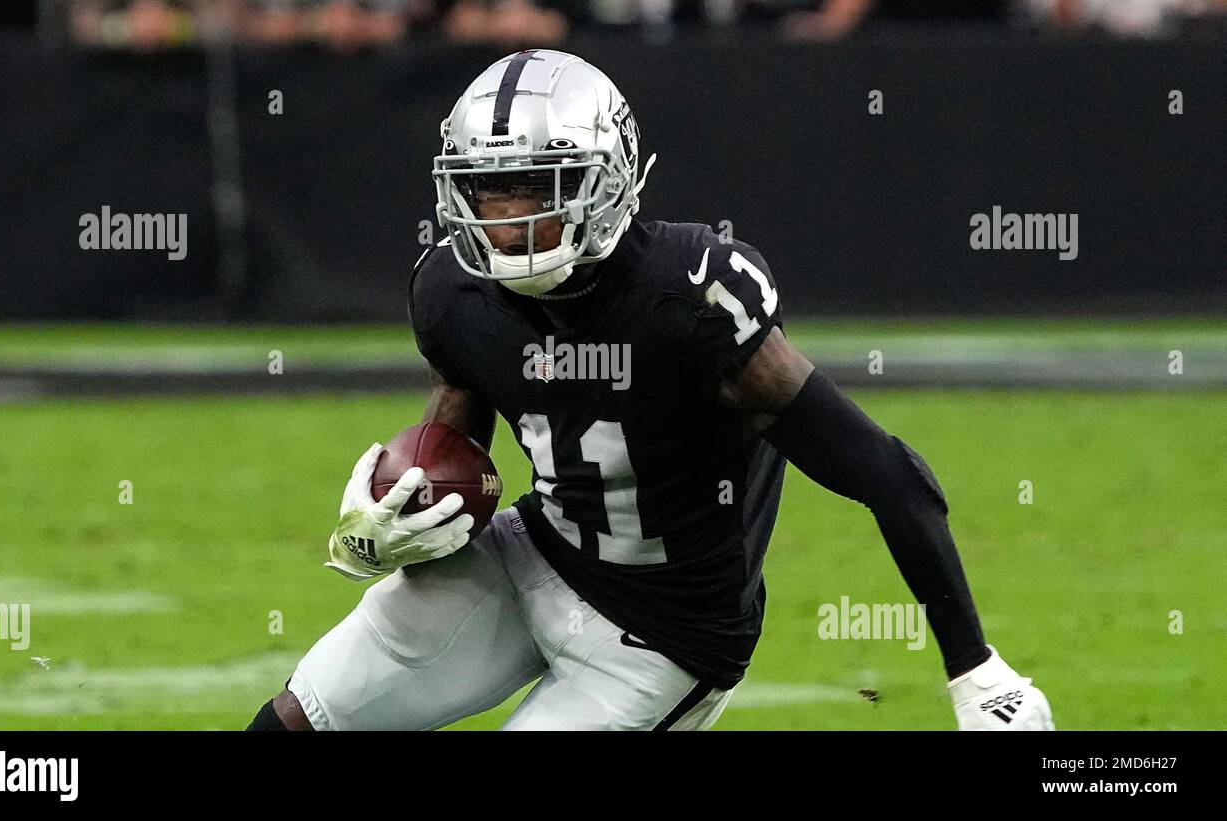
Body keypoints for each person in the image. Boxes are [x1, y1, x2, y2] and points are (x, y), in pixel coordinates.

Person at [249, 49, 1054, 731]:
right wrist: (393, 521)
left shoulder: (693, 300)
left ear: (607, 178)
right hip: (540, 552)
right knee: (303, 712)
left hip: (665, 637)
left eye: (537, 185)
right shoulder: (455, 294)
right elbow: (454, 459)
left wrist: (975, 666)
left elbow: (882, 471)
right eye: (489, 191)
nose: (509, 221)